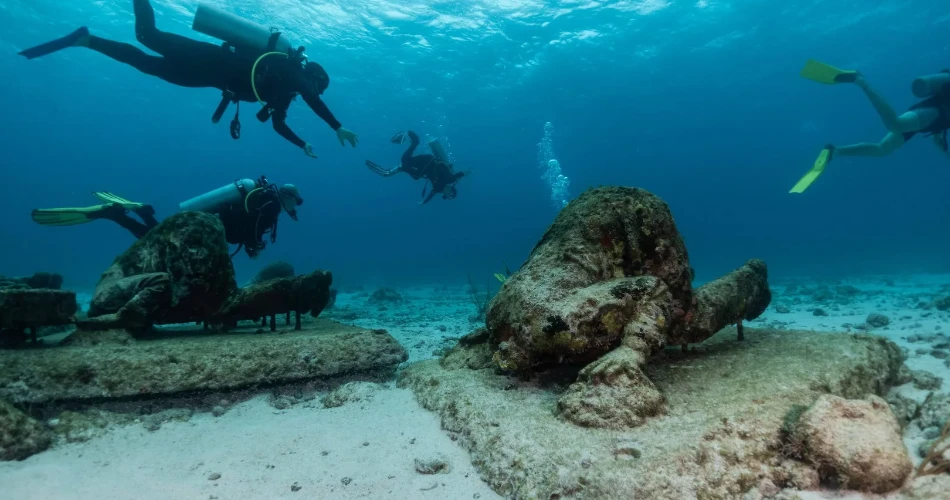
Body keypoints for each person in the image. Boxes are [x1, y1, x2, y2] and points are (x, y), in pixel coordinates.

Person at [17, 0, 358, 157]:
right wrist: (336, 126)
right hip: (211, 60)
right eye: (316, 86)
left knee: (146, 64)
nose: (312, 92)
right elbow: (311, 97)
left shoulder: (284, 94)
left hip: (207, 78)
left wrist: (302, 145)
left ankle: (86, 40)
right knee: (147, 36)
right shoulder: (292, 70)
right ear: (311, 75)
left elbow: (278, 125)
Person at [31, 177, 303, 258]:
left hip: (207, 225)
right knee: (159, 240)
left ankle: (136, 212)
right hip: (207, 230)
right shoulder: (269, 207)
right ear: (288, 197)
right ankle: (115, 215)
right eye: (296, 200)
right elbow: (252, 228)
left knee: (161, 235)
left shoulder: (263, 200)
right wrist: (254, 246)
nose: (295, 206)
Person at [791, 60, 950, 193]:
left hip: (936, 121)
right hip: (935, 113)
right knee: (895, 124)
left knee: (882, 149)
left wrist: (939, 137)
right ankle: (860, 81)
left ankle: (834, 151)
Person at [365, 130, 467, 204]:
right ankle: (414, 144)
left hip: (423, 168)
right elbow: (459, 174)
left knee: (405, 161)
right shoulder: (450, 179)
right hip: (429, 160)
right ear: (451, 187)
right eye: (450, 191)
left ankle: (411, 143)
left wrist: (423, 202)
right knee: (416, 175)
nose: (447, 191)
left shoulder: (437, 189)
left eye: (447, 194)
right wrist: (467, 172)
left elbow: (430, 196)